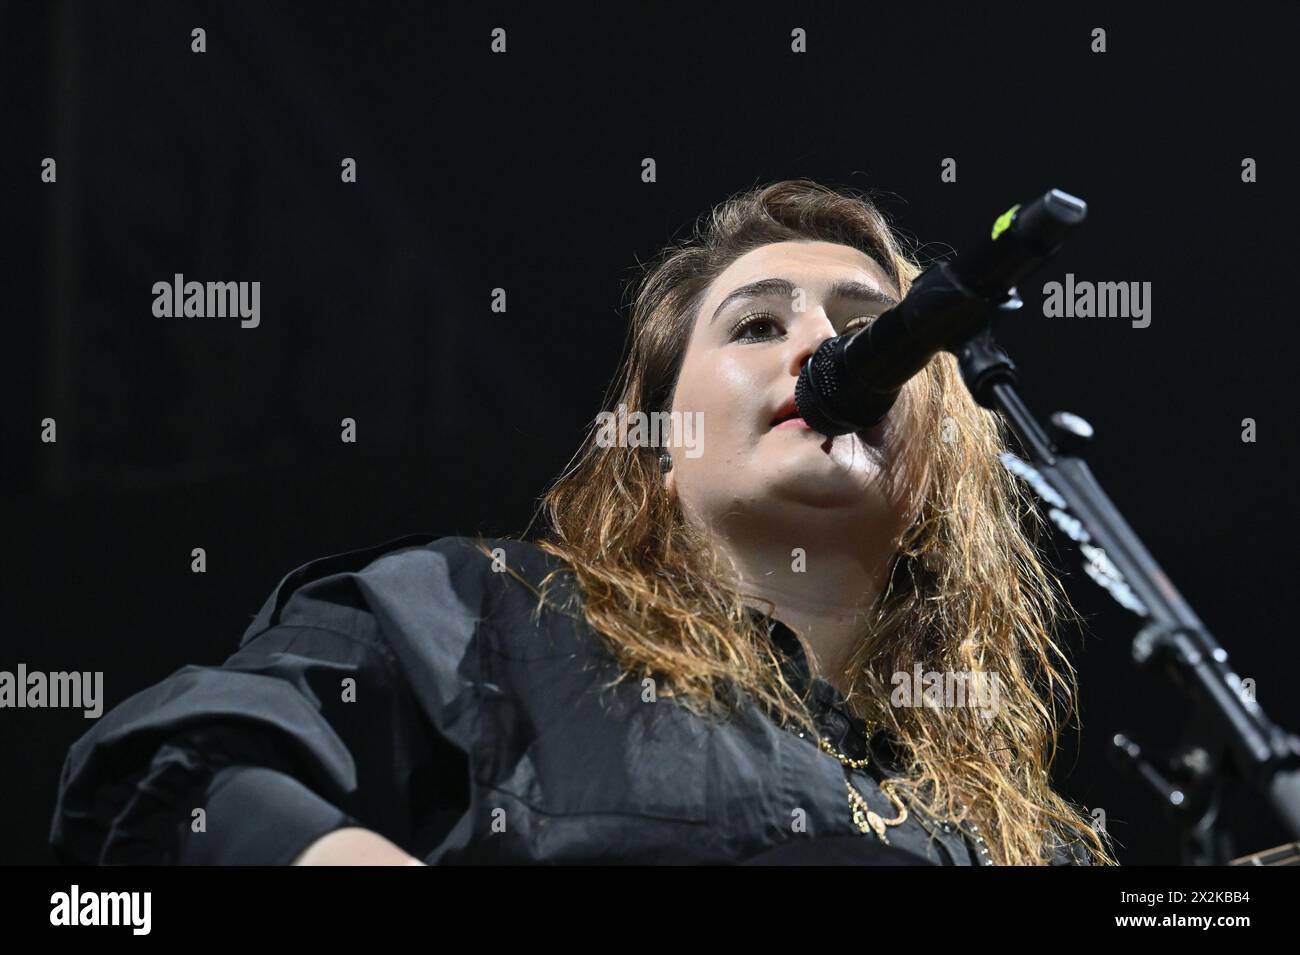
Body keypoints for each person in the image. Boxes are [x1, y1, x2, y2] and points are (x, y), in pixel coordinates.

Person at [49, 179, 1114, 866]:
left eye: (867, 328)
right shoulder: (481, 618)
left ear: (938, 463)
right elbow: (163, 774)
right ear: (655, 454)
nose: (818, 350)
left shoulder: (1024, 839)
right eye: (755, 323)